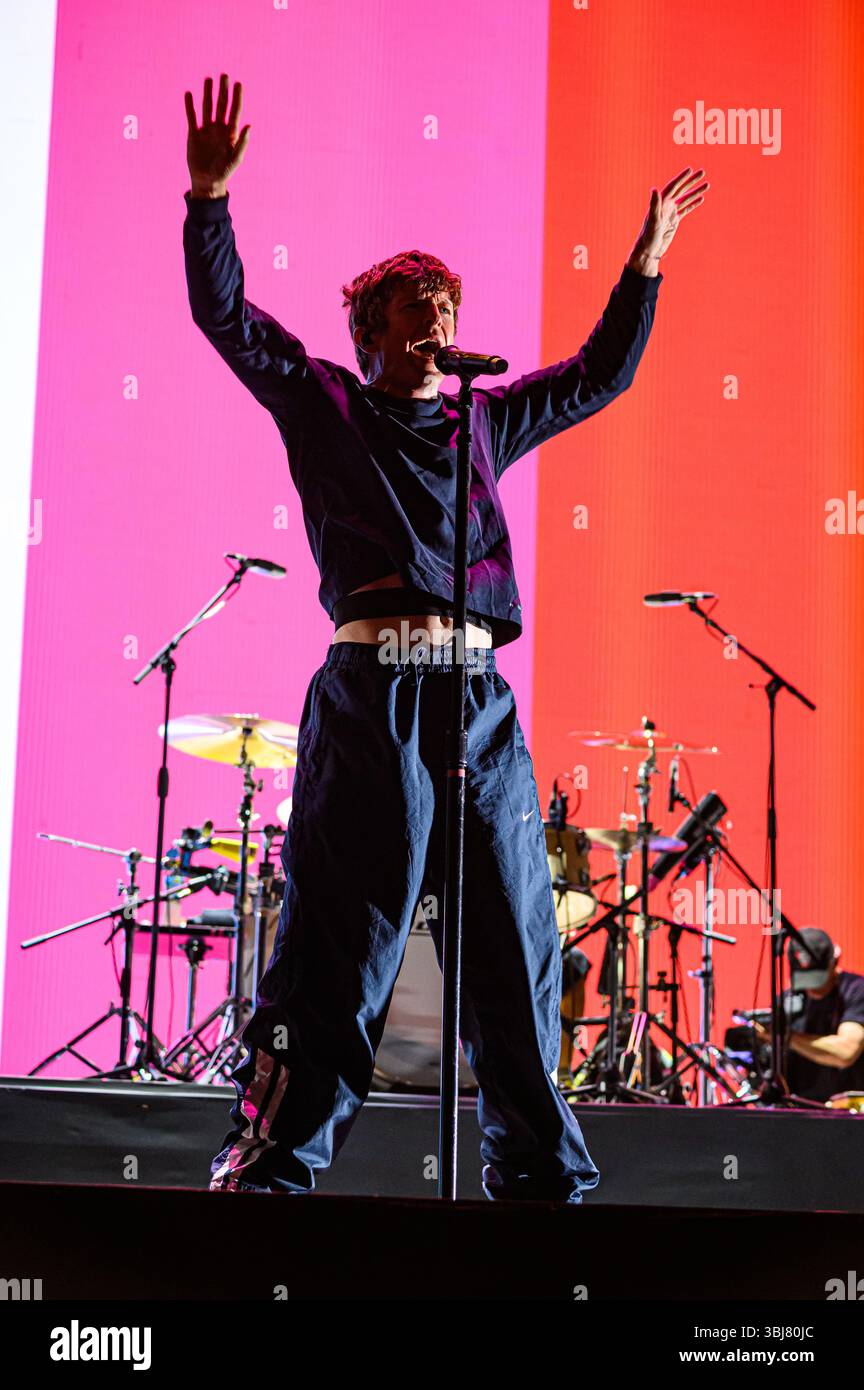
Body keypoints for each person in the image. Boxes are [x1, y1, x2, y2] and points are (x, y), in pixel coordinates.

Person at [182, 73, 708, 1200]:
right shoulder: (326, 403)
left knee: (516, 945)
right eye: (419, 308)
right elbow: (229, 322)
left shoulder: (484, 418)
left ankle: (536, 1175)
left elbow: (599, 375)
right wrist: (209, 202)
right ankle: (271, 1164)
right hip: (375, 696)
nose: (442, 323)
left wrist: (646, 262)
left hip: (480, 706)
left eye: (450, 309)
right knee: (347, 943)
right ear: (371, 329)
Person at [755, 928, 864, 1103]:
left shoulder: (856, 991)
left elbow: (846, 1052)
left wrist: (787, 1037)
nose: (812, 988)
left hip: (848, 1112)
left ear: (834, 961)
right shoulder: (786, 1000)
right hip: (799, 1109)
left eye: (817, 978)